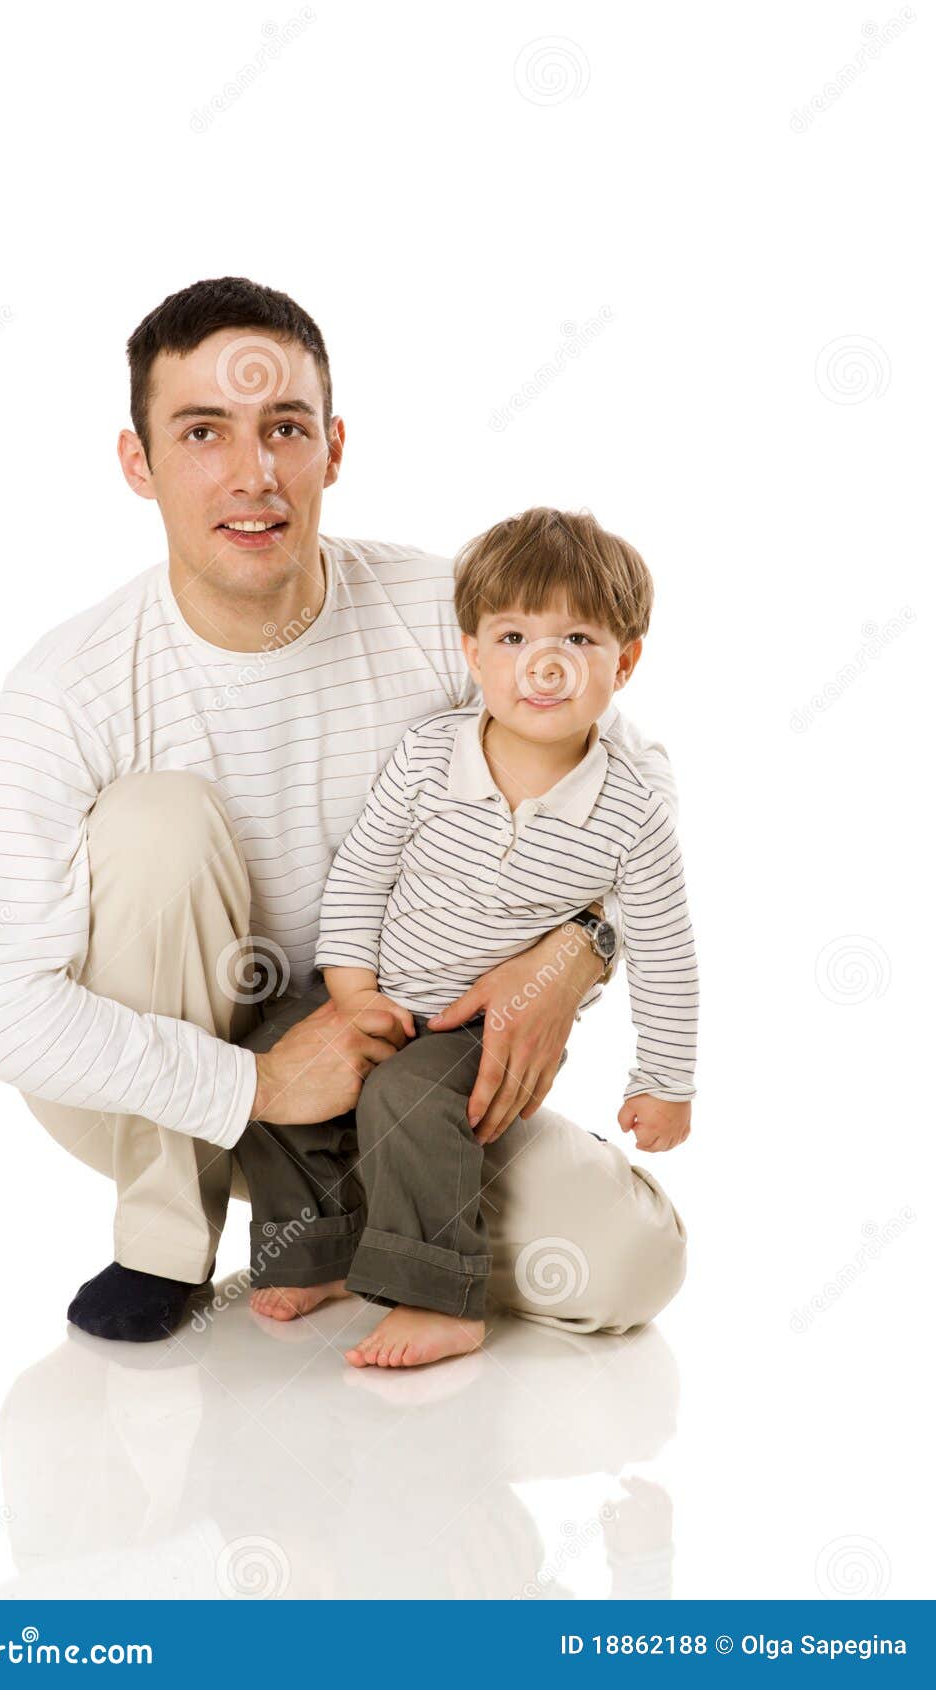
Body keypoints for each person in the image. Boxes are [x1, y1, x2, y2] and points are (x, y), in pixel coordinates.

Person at [0, 275, 688, 1343]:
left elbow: (634, 780)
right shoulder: (69, 684)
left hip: (401, 1067)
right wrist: (253, 1081)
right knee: (153, 824)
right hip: (166, 1090)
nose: (252, 474)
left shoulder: (451, 615)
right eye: (202, 431)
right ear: (137, 463)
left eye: (282, 428)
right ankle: (167, 1240)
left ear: (332, 448)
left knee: (628, 1264)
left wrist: (573, 949)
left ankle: (354, 1225)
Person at [235, 508, 698, 1368]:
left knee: (407, 1102)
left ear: (623, 662)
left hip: (473, 1022)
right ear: (473, 653)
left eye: (579, 639)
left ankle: (435, 1297)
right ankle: (316, 1252)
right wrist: (347, 986)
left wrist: (665, 1081)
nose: (545, 662)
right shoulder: (426, 757)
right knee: (268, 1059)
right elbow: (362, 874)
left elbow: (667, 951)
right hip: (381, 991)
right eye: (514, 635)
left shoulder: (630, 809)